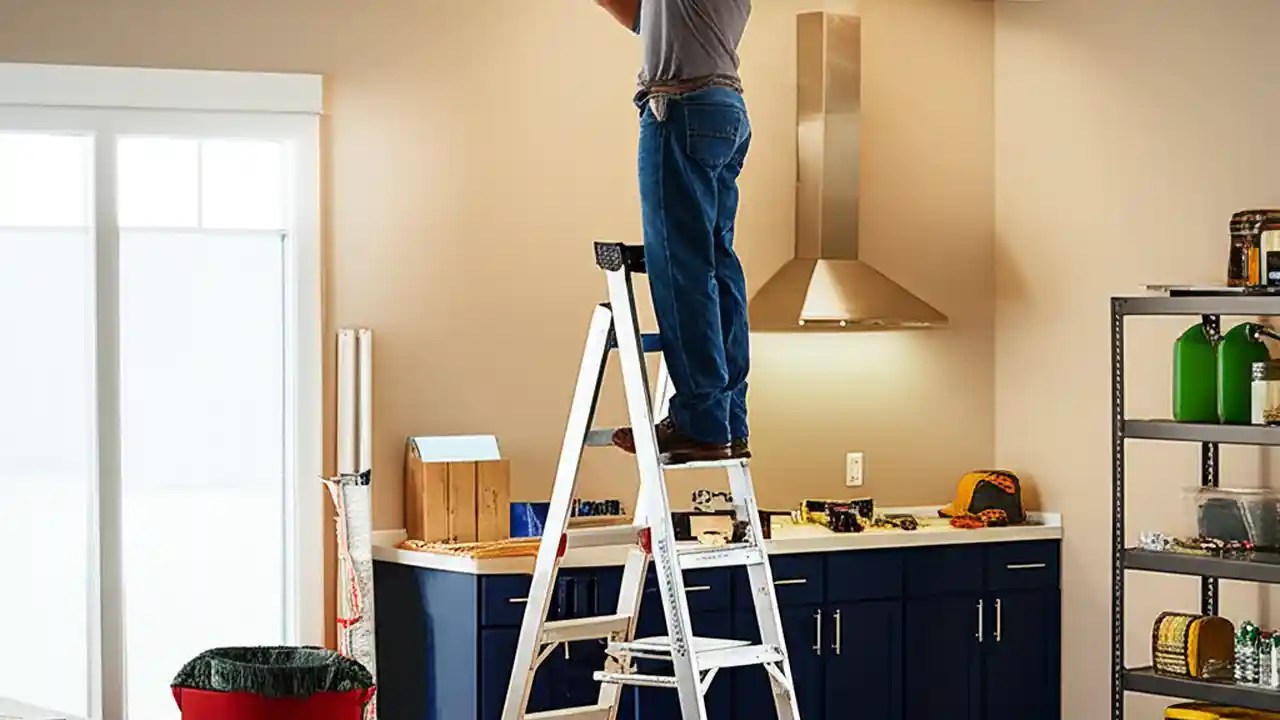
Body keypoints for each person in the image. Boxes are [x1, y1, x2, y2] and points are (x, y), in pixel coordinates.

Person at [596, 0, 754, 465]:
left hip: (680, 108)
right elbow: (644, 19)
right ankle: (727, 419)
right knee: (716, 267)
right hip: (722, 111)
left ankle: (700, 420)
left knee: (681, 268)